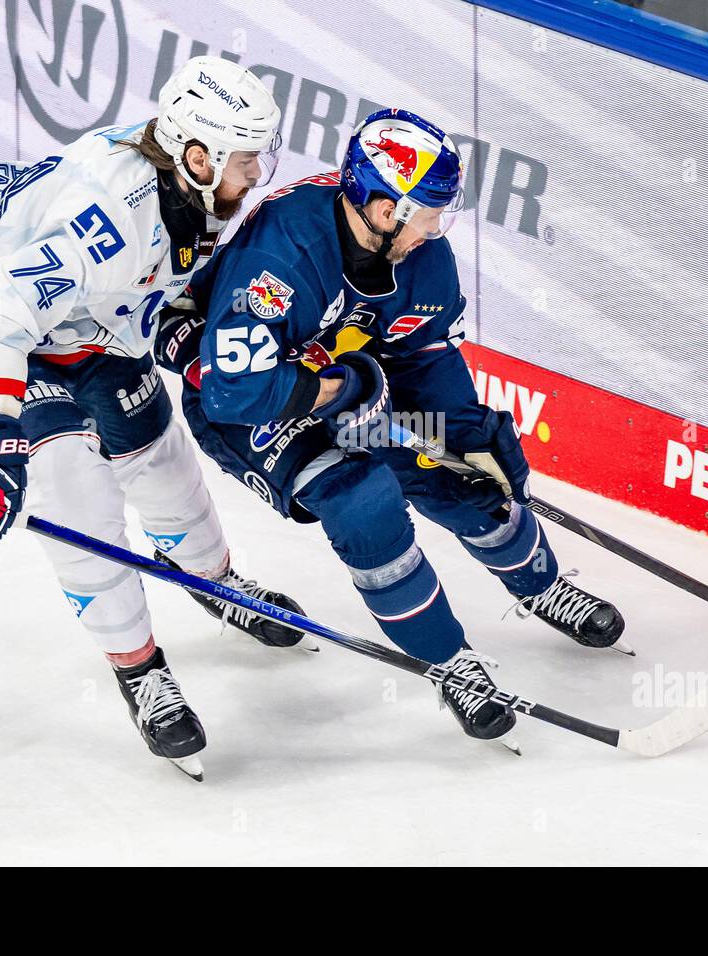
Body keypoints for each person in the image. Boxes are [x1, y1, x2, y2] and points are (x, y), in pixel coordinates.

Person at [156, 108, 631, 749]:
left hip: (350, 373)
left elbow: (423, 354)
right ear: (384, 209)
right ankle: (451, 662)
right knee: (362, 500)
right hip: (248, 404)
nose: (439, 228)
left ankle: (546, 588)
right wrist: (349, 386)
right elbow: (237, 391)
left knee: (465, 477)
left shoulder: (421, 256)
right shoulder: (283, 255)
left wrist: (467, 433)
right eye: (429, 211)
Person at [0, 56, 309, 780]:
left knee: (157, 455)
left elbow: (164, 275)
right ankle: (139, 668)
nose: (259, 173)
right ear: (198, 156)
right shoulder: (109, 221)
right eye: (248, 159)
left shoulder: (190, 184)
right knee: (73, 484)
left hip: (87, 321)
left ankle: (214, 579)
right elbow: (1, 313)